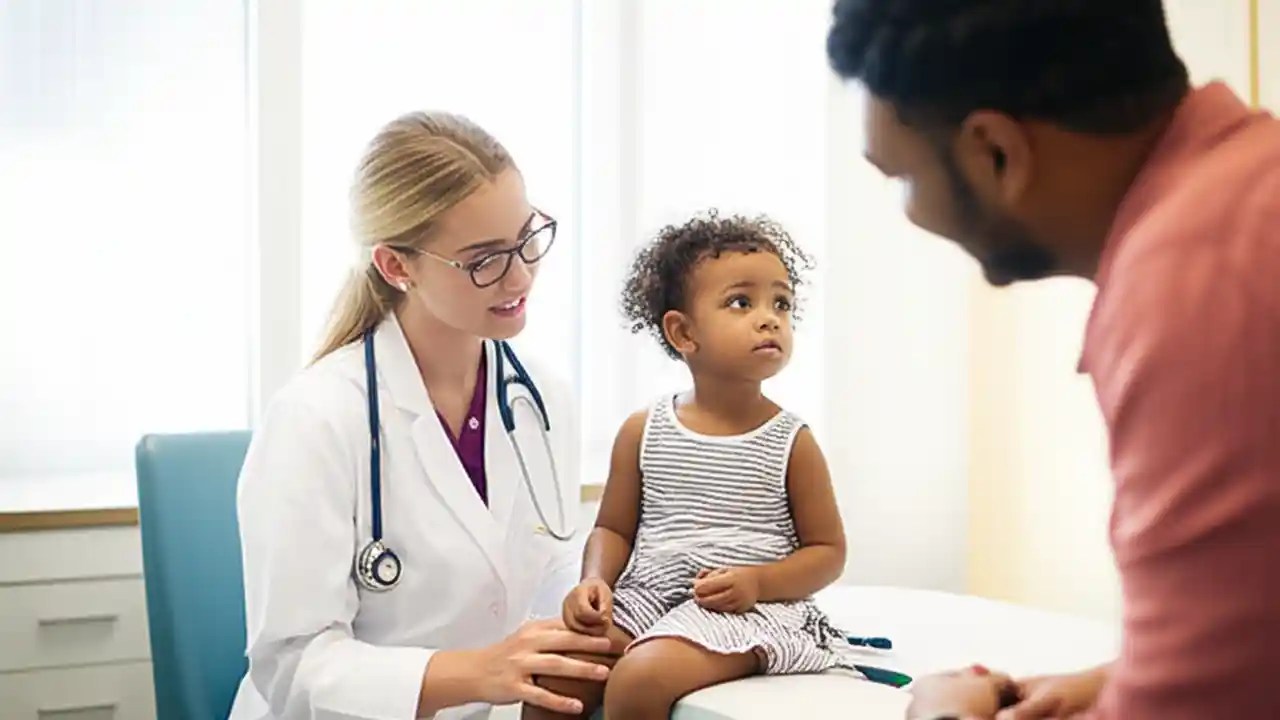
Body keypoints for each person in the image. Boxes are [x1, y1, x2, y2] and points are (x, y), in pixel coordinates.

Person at [826, 1, 1280, 719]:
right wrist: (1119, 678)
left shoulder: (1195, 282)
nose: (909, 213)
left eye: (901, 179)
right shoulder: (1249, 187)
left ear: (996, 152)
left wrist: (944, 715)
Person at [231, 111, 613, 720]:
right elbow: (295, 663)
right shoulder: (317, 419)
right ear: (396, 266)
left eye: (527, 239)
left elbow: (548, 559)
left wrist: (589, 601)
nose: (521, 275)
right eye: (484, 259)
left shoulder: (539, 396)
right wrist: (479, 671)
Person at [523, 212, 859, 720]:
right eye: (741, 302)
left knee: (641, 677)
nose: (770, 317)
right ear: (683, 333)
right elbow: (613, 528)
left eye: (782, 302)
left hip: (752, 609)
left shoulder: (792, 441)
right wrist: (594, 582)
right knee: (555, 676)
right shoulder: (644, 430)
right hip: (650, 597)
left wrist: (758, 583)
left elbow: (828, 552)